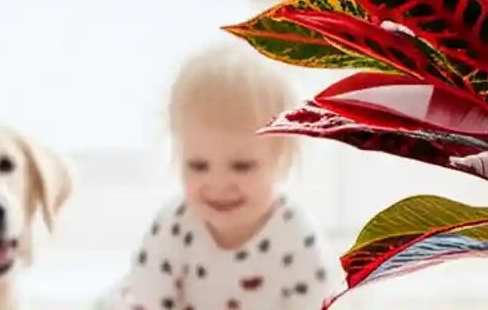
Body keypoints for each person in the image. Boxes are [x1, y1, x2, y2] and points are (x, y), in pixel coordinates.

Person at [95, 43, 334, 310]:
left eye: (242, 166)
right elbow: (146, 300)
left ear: (282, 159)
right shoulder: (174, 225)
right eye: (198, 165)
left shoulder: (297, 238)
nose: (218, 184)